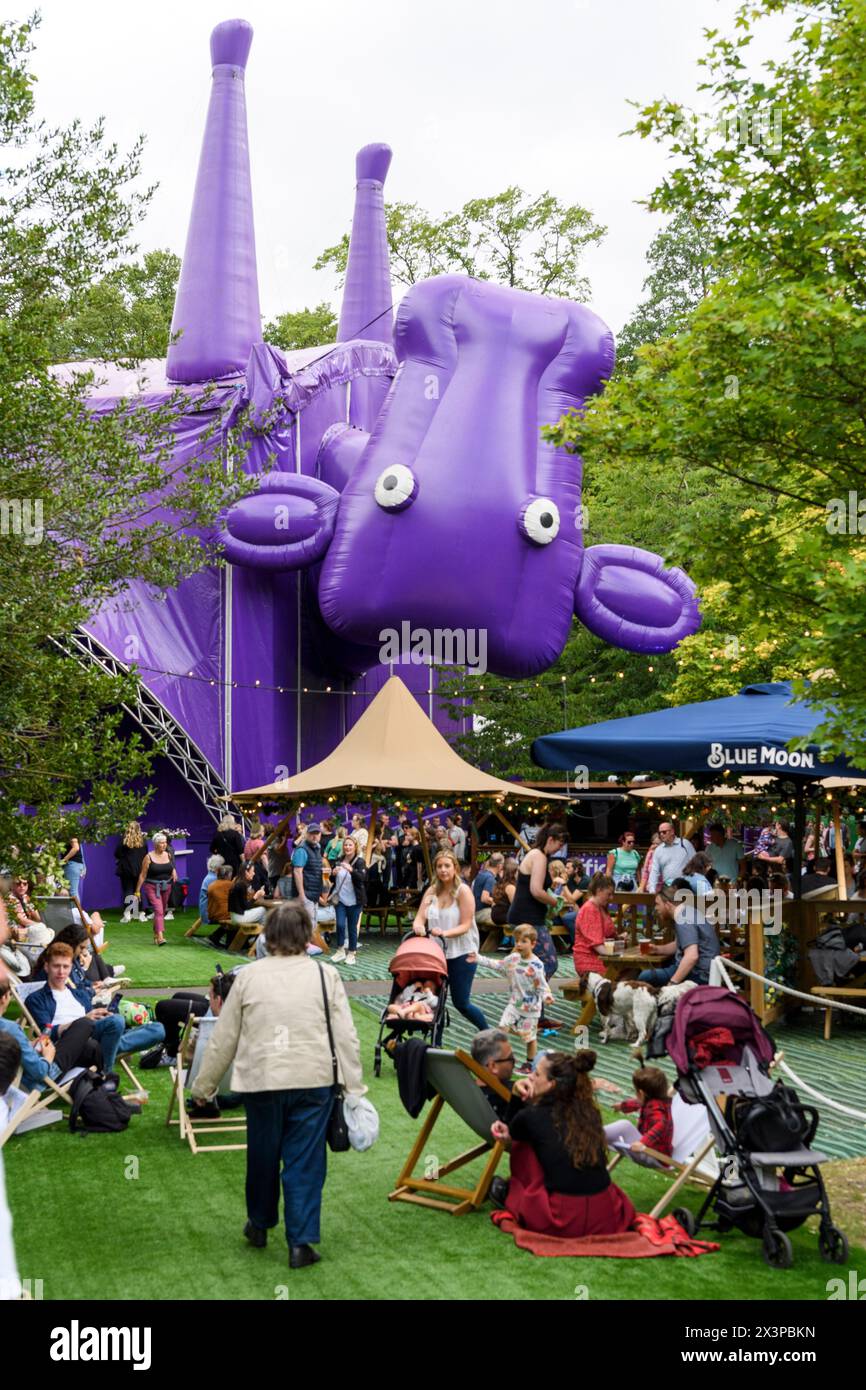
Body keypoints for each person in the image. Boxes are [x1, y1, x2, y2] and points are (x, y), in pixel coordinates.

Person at [190, 904, 365, 1269]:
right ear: (306, 935)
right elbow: (346, 1037)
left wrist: (202, 1088)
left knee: (263, 1155)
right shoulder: (325, 976)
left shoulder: (249, 976)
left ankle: (259, 1223)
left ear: (268, 936)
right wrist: (354, 1087)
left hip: (263, 1080)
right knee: (305, 1162)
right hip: (314, 1080)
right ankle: (300, 1243)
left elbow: (224, 1037)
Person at [489, 1051, 635, 1238]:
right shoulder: (590, 1112)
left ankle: (512, 1193)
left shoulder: (531, 1116)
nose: (529, 1077)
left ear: (552, 1084)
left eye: (536, 1074)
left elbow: (510, 1131)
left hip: (561, 1218)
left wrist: (516, 1094)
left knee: (524, 1147)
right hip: (607, 1214)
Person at [26, 942, 164, 1073]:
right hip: (69, 1044)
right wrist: (82, 1021)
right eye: (56, 966)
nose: (61, 972)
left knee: (158, 1029)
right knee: (116, 1022)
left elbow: (94, 1015)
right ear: (46, 967)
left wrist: (101, 1014)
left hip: (96, 1035)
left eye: (66, 966)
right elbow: (46, 1034)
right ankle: (106, 1071)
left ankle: (110, 1045)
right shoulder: (36, 999)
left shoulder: (78, 994)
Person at [413, 850, 487, 1031]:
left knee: (461, 1002)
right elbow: (420, 917)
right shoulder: (432, 891)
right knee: (435, 1002)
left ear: (455, 868)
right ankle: (434, 1044)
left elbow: (466, 925)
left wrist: (444, 933)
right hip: (437, 954)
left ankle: (489, 1033)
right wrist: (418, 926)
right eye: (439, 866)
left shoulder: (463, 891)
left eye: (447, 866)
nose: (443, 870)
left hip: (462, 952)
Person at [507, 822, 566, 1031]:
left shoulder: (535, 855)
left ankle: (536, 1016)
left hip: (527, 916)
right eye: (559, 844)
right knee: (548, 964)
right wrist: (556, 902)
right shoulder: (539, 856)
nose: (560, 849)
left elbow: (524, 882)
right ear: (550, 840)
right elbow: (536, 891)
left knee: (537, 966)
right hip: (528, 918)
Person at [0, 971, 103, 1090]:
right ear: (4, 998)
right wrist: (48, 1057)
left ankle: (100, 1089)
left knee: (90, 1047)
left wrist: (28, 1044)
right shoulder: (9, 1028)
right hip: (40, 1078)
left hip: (18, 1073)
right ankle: (103, 1088)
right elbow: (39, 1071)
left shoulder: (7, 1029)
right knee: (84, 1024)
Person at [484, 925, 553, 1068]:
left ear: (533, 944)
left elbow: (542, 985)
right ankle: (500, 1059)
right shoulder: (513, 958)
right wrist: (478, 958)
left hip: (531, 1009)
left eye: (523, 941)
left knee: (529, 1038)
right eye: (516, 941)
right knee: (502, 1027)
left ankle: (530, 1064)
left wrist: (547, 996)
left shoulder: (537, 965)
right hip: (514, 1004)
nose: (519, 945)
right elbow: (498, 964)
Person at [638, 883, 720, 987]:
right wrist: (658, 949)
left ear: (667, 905)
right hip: (705, 972)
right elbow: (679, 944)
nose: (656, 908)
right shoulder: (687, 912)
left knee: (645, 976)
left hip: (700, 975)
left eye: (657, 904)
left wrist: (672, 983)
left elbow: (692, 956)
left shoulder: (683, 919)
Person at [604, 1065, 674, 1162]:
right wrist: (622, 1106)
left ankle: (591, 1136)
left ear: (641, 1093)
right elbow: (639, 1103)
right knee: (619, 1130)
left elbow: (662, 1124)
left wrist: (643, 1142)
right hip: (651, 1151)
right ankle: (596, 1136)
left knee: (624, 1126)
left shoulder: (656, 1109)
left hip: (654, 1155)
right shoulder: (656, 1102)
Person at [572, 873, 625, 977]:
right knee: (627, 974)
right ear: (599, 890)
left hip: (600, 957)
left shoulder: (601, 907)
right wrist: (618, 956)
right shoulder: (589, 909)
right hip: (590, 961)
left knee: (632, 971)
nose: (611, 898)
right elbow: (597, 945)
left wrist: (619, 938)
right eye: (608, 894)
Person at [330, 836, 367, 966]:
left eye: (350, 845)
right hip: (340, 899)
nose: (347, 847)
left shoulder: (360, 862)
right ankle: (340, 950)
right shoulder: (338, 860)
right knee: (340, 925)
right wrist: (333, 873)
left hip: (355, 901)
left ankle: (351, 953)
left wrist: (352, 870)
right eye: (345, 845)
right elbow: (332, 879)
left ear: (355, 847)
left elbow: (362, 878)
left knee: (352, 927)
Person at [134, 832, 176, 945]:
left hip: (166, 886)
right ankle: (161, 937)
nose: (164, 845)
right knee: (158, 910)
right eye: (161, 843)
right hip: (152, 887)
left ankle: (155, 935)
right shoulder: (148, 857)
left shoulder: (168, 855)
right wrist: (137, 890)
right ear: (155, 844)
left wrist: (174, 872)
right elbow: (142, 875)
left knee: (161, 911)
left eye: (165, 843)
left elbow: (171, 866)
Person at [283, 822, 324, 933]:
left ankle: (305, 947)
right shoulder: (302, 849)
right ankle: (302, 949)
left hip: (313, 894)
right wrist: (302, 896)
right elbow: (297, 872)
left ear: (320, 834)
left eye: (317, 833)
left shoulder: (317, 848)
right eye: (312, 833)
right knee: (305, 926)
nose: (315, 836)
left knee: (311, 926)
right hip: (305, 894)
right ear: (306, 835)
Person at [228, 861, 267, 943]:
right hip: (238, 917)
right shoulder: (241, 885)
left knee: (261, 912)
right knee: (263, 910)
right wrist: (256, 896)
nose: (254, 873)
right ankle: (260, 940)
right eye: (252, 871)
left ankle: (256, 938)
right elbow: (246, 907)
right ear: (246, 872)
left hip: (234, 915)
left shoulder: (237, 882)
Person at [646, 822, 692, 892]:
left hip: (685, 888)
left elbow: (695, 863)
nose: (661, 834)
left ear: (672, 831)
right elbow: (654, 871)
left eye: (664, 832)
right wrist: (652, 889)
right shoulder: (658, 850)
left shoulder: (685, 844)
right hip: (668, 889)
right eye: (660, 833)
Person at [115, 822, 147, 920]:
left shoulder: (123, 842)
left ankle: (128, 914)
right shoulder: (143, 842)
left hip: (126, 869)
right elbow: (145, 855)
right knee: (137, 891)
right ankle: (139, 913)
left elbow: (117, 854)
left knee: (128, 890)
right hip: (139, 869)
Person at [206, 866, 236, 948]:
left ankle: (215, 936)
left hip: (211, 913)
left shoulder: (212, 884)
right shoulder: (230, 885)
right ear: (228, 875)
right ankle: (230, 943)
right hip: (224, 915)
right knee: (236, 918)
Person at [472, 853, 503, 928]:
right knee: (505, 920)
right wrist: (498, 902)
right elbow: (484, 898)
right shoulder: (490, 878)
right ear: (500, 866)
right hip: (481, 913)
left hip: (475, 912)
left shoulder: (481, 874)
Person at [198, 854, 224, 926]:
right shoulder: (213, 879)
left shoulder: (209, 877)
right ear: (217, 868)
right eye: (222, 865)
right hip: (209, 914)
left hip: (206, 911)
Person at [60, 835, 86, 901]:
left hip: (72, 864)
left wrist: (64, 860)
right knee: (70, 892)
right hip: (74, 865)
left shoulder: (70, 832)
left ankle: (76, 911)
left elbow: (76, 848)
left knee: (72, 892)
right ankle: (73, 910)